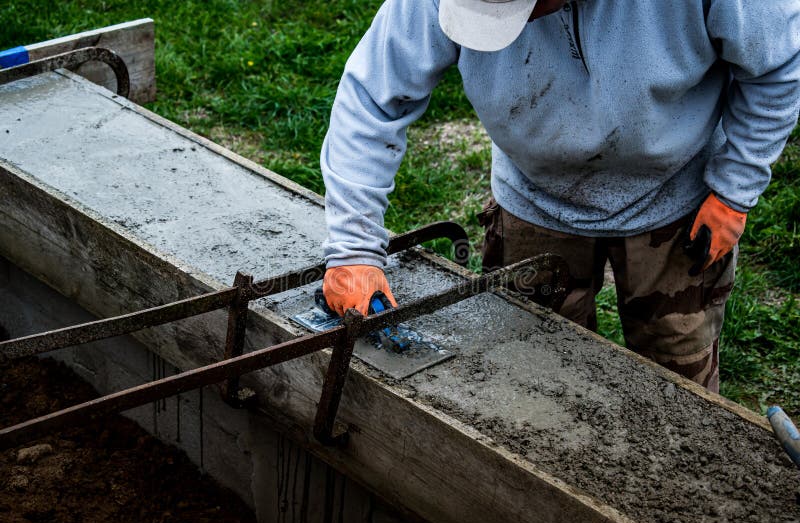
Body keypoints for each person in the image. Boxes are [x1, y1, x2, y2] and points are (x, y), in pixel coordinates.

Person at [319, 0, 800, 392]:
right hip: (534, 198)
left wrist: (734, 191)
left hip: (676, 202)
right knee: (526, 385)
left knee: (679, 388)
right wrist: (353, 250)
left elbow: (781, 65)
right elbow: (372, 96)